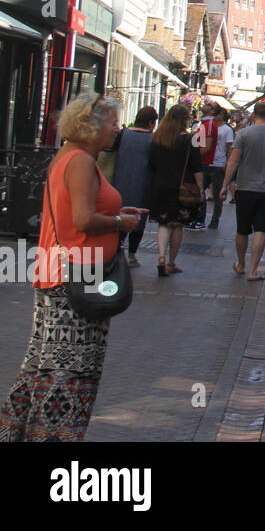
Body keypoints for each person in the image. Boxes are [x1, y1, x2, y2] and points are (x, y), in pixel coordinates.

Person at [0, 93, 142, 442]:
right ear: (91, 127)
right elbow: (81, 219)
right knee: (70, 372)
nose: (116, 130)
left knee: (42, 366)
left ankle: (14, 433)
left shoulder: (66, 157)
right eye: (111, 123)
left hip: (58, 269)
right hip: (77, 275)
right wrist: (120, 223)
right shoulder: (80, 161)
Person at [221, 100, 265, 281]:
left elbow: (233, 161)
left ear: (253, 114)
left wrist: (225, 184)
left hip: (244, 188)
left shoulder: (243, 134)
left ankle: (241, 263)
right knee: (260, 230)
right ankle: (253, 271)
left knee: (242, 229)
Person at [148, 105, 205, 278]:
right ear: (184, 120)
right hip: (183, 188)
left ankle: (161, 258)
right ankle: (172, 262)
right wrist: (200, 189)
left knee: (164, 223)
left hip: (160, 186)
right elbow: (197, 167)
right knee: (178, 225)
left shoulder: (157, 138)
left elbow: (151, 164)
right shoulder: (190, 140)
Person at [111, 106, 157, 267]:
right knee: (139, 218)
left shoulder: (123, 134)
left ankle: (117, 249)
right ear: (151, 122)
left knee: (120, 214)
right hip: (143, 183)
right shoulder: (154, 139)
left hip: (120, 181)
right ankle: (132, 254)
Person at [195, 103, 234, 230]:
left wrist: (227, 164)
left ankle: (214, 220)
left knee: (217, 195)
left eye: (219, 114)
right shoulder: (208, 125)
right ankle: (198, 216)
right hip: (208, 163)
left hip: (218, 164)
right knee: (200, 190)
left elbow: (229, 148)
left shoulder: (227, 130)